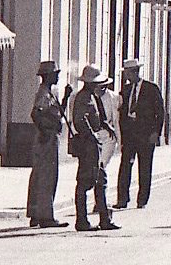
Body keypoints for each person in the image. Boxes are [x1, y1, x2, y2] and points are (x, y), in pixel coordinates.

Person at [70, 64, 120, 231]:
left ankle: (104, 219)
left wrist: (106, 126)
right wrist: (91, 136)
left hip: (95, 144)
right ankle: (82, 221)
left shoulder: (93, 97)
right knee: (85, 182)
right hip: (88, 145)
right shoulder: (83, 98)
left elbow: (100, 116)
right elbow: (80, 120)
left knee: (100, 181)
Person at [26, 60, 72, 228]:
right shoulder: (43, 93)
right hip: (47, 138)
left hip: (47, 136)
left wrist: (66, 97)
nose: (58, 77)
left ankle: (37, 213)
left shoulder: (49, 93)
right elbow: (35, 114)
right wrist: (45, 132)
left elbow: (58, 114)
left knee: (40, 175)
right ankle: (46, 216)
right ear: (48, 76)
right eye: (55, 74)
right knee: (47, 176)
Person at [114, 59, 164, 209]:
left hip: (146, 135)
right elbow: (121, 113)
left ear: (135, 72)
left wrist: (156, 133)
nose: (126, 76)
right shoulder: (125, 90)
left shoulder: (151, 89)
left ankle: (142, 199)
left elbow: (160, 113)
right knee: (125, 166)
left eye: (128, 73)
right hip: (130, 135)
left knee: (145, 167)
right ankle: (122, 199)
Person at [92, 72, 121, 214]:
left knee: (101, 167)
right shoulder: (88, 98)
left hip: (109, 138)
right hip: (95, 136)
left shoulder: (114, 98)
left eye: (104, 86)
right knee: (96, 170)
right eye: (99, 86)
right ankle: (100, 202)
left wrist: (119, 141)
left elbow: (116, 121)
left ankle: (100, 203)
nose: (102, 89)